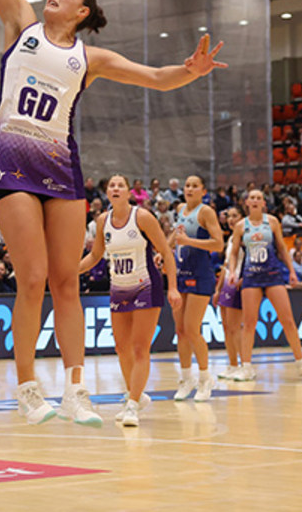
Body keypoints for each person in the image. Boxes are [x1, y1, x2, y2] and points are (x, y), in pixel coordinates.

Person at [0, 0, 226, 427]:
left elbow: (154, 77)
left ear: (84, 9)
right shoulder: (21, 24)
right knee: (32, 279)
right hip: (9, 163)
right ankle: (27, 387)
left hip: (60, 168)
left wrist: (189, 71)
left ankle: (75, 389)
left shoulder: (89, 57)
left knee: (66, 281)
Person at [79, 174, 178, 426]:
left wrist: (173, 288)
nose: (115, 188)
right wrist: (71, 271)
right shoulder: (103, 221)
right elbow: (95, 256)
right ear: (107, 192)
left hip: (146, 286)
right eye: (111, 185)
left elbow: (166, 252)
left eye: (120, 185)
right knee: (122, 348)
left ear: (128, 192)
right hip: (119, 288)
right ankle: (135, 394)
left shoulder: (142, 217)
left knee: (139, 348)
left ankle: (132, 405)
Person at [225, 190, 302, 382]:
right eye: (252, 197)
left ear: (264, 203)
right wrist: (233, 271)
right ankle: (246, 367)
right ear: (247, 203)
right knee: (249, 324)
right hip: (251, 276)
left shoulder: (273, 221)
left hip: (273, 275)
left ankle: (301, 364)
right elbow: (233, 253)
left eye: (259, 198)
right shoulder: (241, 226)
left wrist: (292, 271)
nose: (255, 200)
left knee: (288, 320)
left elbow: (282, 248)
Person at [170, 176, 223, 401]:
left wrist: (189, 242)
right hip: (181, 273)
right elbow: (176, 235)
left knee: (192, 329)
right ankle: (186, 378)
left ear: (203, 191)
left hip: (200, 275)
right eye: (187, 185)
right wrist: (164, 251)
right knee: (180, 331)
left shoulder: (206, 212)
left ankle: (205, 378)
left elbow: (218, 243)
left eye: (194, 186)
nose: (189, 189)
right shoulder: (180, 209)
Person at [214, 206, 245, 380]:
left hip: (238, 285)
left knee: (235, 328)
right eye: (229, 216)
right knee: (226, 328)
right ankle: (232, 365)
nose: (231, 219)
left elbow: (251, 261)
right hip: (226, 284)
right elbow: (226, 266)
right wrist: (218, 289)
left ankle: (244, 365)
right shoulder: (232, 238)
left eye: (235, 216)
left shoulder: (245, 238)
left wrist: (244, 278)